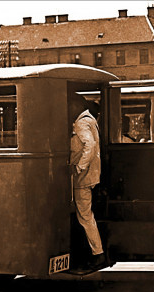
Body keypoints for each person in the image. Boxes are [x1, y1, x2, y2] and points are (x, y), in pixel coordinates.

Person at [70, 99, 106, 269]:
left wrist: (79, 167)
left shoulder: (81, 122)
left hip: (82, 177)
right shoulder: (90, 120)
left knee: (84, 216)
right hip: (89, 175)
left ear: (78, 106)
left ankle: (97, 253)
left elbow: (89, 145)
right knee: (85, 215)